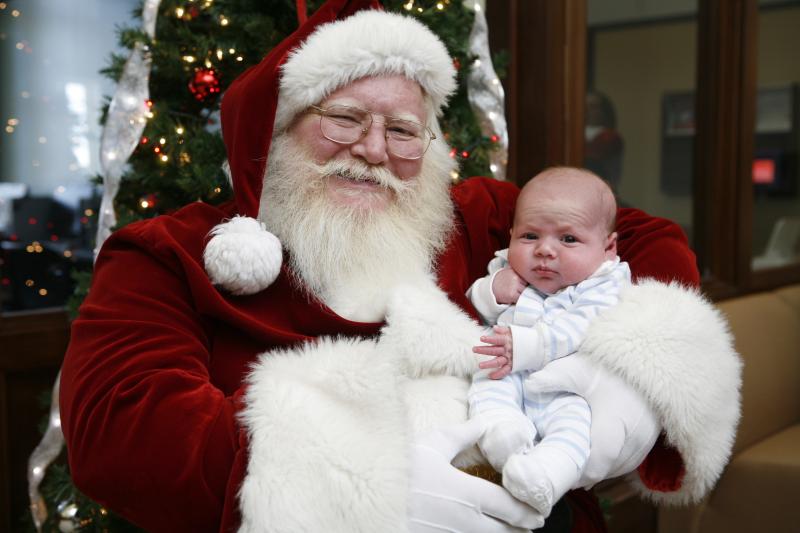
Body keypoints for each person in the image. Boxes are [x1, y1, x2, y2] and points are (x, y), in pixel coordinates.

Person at [59, 2, 741, 532]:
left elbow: (639, 237)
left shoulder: (474, 218)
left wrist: (627, 377)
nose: (374, 150)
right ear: (275, 130)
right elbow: (118, 427)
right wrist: (358, 483)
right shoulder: (167, 255)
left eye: (404, 130)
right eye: (344, 118)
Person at [467, 167, 658, 518]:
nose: (544, 250)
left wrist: (527, 346)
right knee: (484, 383)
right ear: (511, 236)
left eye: (568, 239)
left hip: (566, 383)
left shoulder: (605, 281)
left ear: (608, 247)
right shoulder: (507, 267)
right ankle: (502, 436)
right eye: (529, 236)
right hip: (506, 370)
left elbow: (582, 327)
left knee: (573, 427)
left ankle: (547, 476)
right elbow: (471, 304)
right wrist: (491, 291)